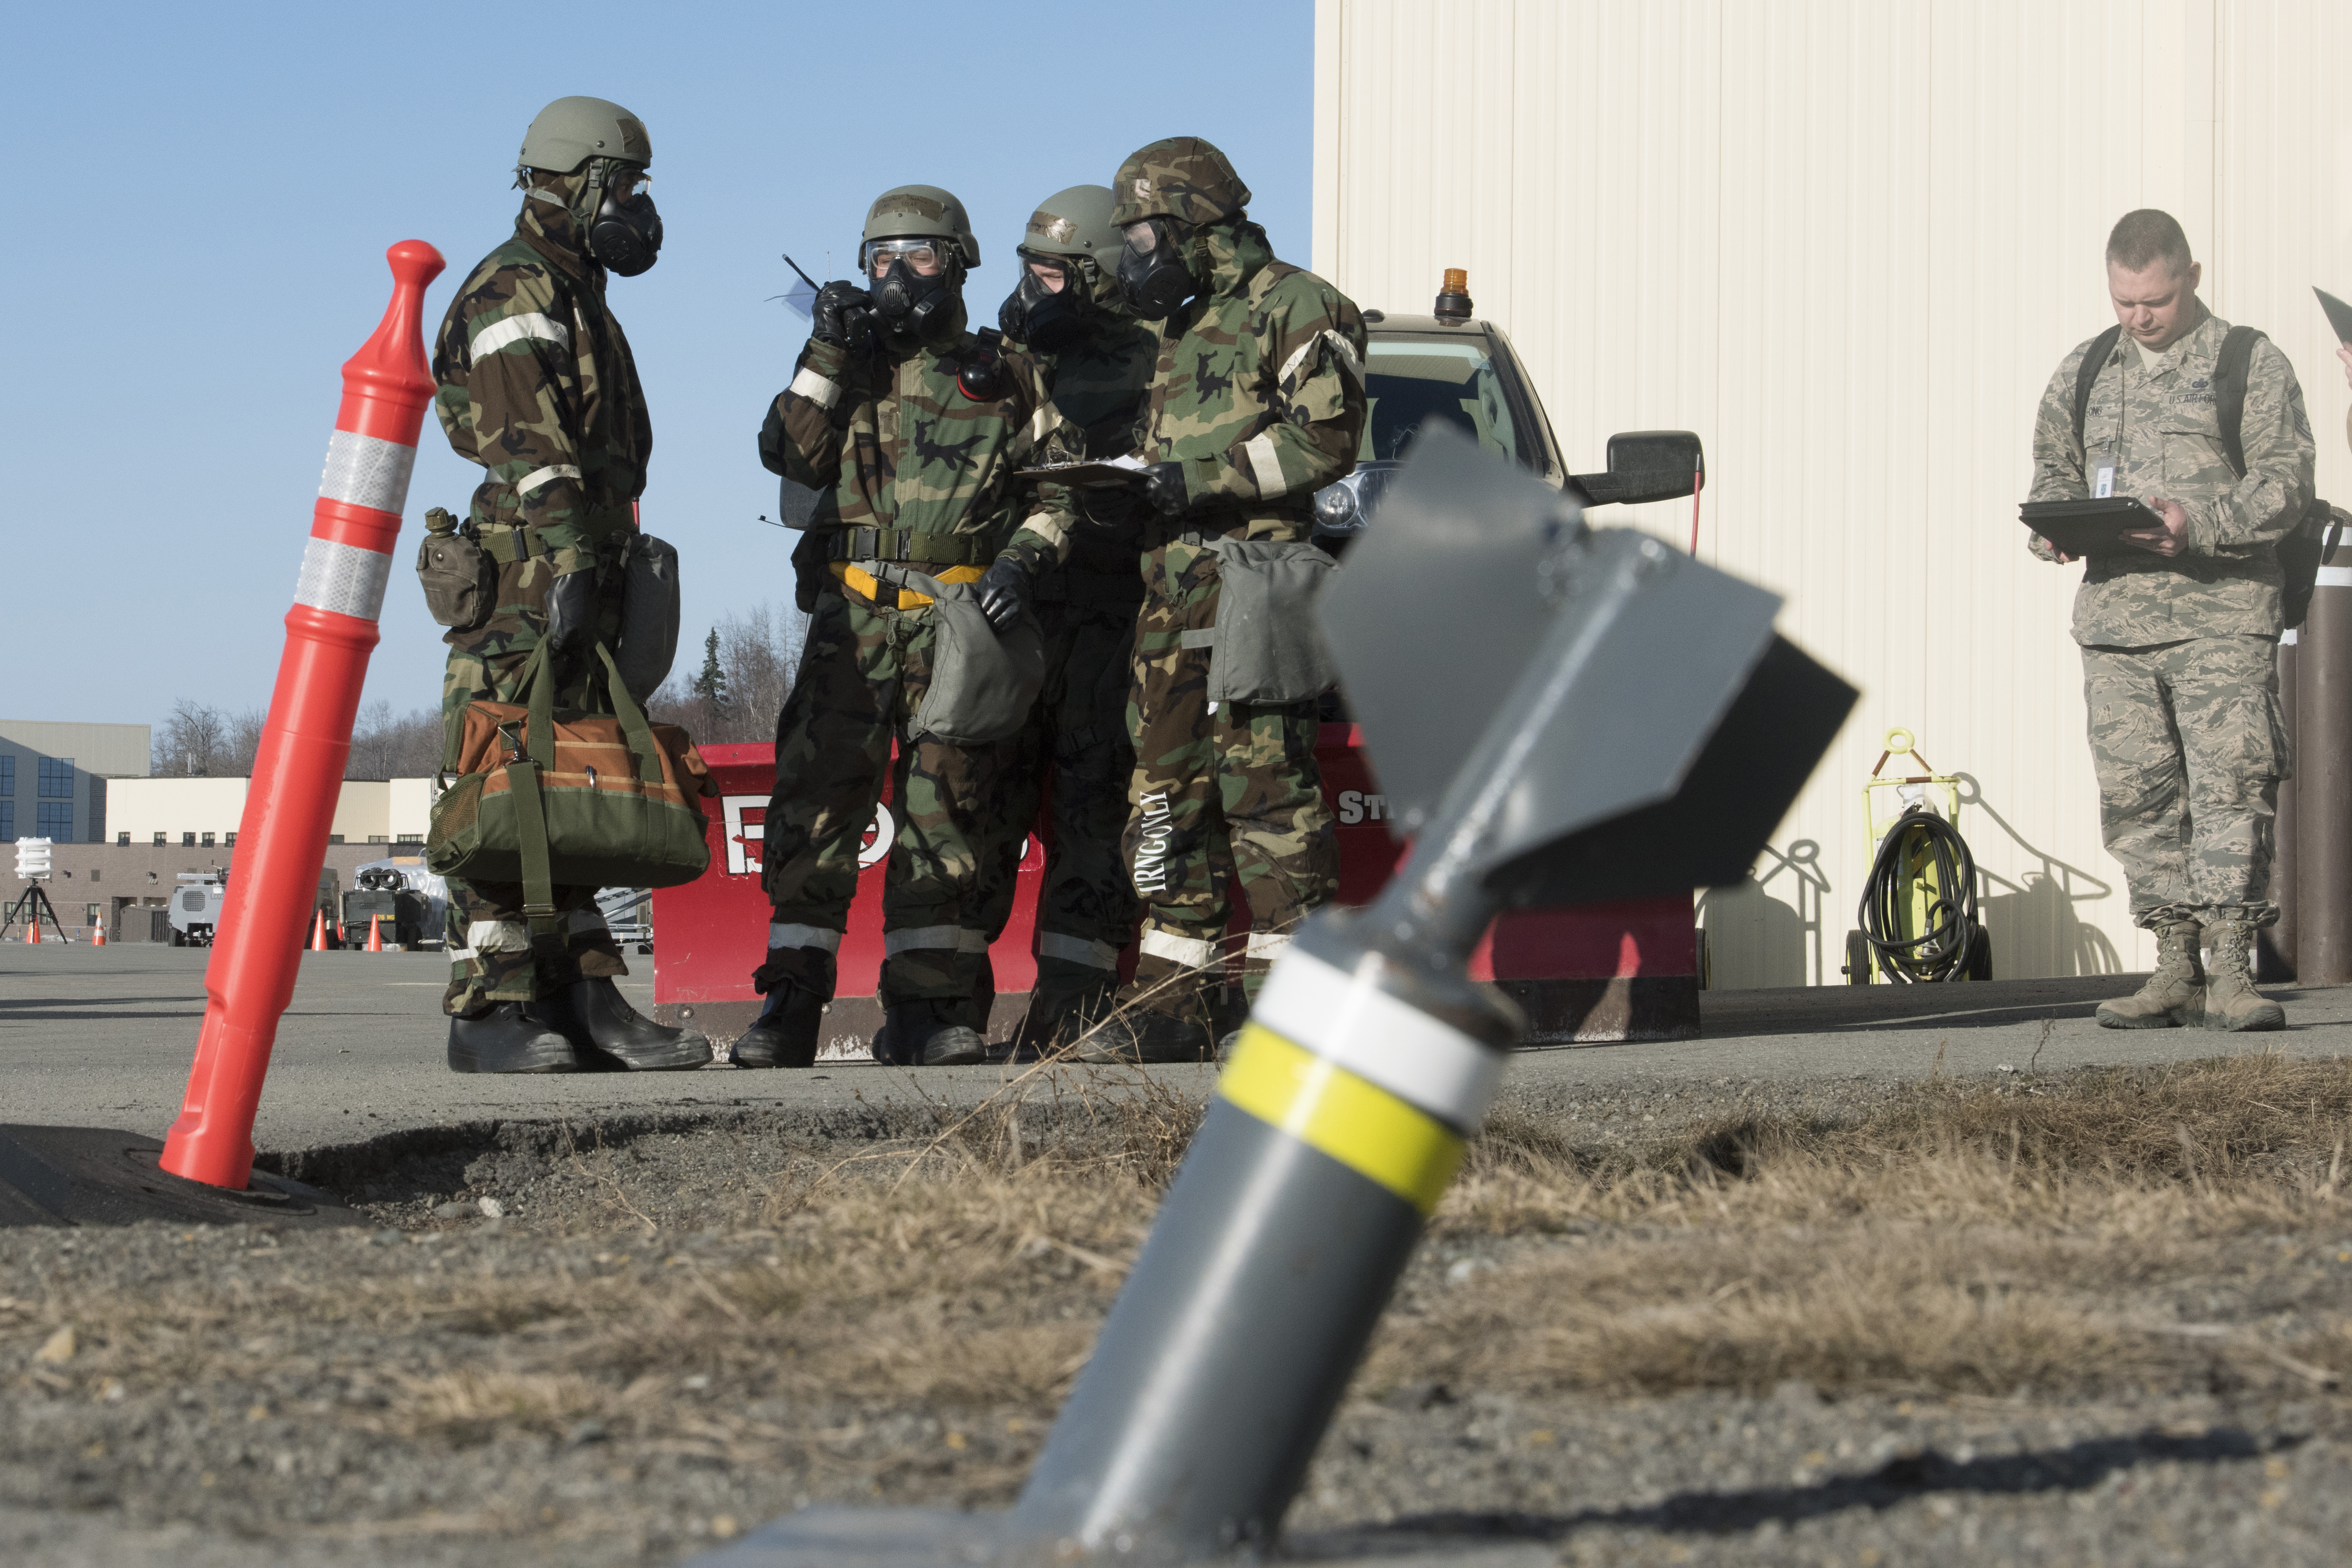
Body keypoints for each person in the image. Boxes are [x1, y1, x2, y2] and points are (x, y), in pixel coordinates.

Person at [731, 185, 1071, 1070]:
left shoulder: (1009, 368)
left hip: (958, 622)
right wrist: (825, 347)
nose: (893, 274)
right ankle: (791, 1005)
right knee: (816, 807)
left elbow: (1062, 488)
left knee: (950, 817)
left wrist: (1021, 562)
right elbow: (787, 451)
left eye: (917, 255)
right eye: (878, 257)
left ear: (958, 261)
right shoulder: (846, 363)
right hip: (853, 619)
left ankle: (929, 1012)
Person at [1068, 137, 1368, 1062]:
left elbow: (1327, 443)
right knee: (1163, 799)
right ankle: (1172, 1006)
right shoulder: (1175, 325)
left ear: (1198, 222)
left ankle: (1290, 1015)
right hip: (1171, 598)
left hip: (1254, 587)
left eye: (1146, 235)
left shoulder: (1299, 306)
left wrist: (1193, 481)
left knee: (1268, 797)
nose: (1136, 257)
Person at [429, 96, 708, 1073]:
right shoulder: (517, 288)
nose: (636, 205)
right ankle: (489, 1006)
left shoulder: (575, 288)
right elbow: (527, 443)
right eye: (627, 185)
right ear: (583, 179)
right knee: (507, 772)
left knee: (579, 778)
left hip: (585, 553)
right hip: (530, 570)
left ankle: (583, 990)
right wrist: (572, 562)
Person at [2028, 208, 2314, 1032]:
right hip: (2117, 627)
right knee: (2139, 798)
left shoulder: (2246, 363)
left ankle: (2231, 969)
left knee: (2230, 787)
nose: (2139, 317)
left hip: (2221, 617)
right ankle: (2172, 967)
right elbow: (2056, 471)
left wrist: (2199, 521)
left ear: (2190, 274)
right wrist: (2053, 529)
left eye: (2152, 300)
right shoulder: (2084, 371)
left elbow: (2287, 484)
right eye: (2124, 301)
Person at [979, 184, 1160, 1054]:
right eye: (1027, 272)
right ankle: (940, 1002)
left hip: (1106, 612)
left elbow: (1086, 480)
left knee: (1094, 808)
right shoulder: (1013, 356)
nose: (1030, 291)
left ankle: (1074, 1001)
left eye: (1048, 275)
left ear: (1100, 277)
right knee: (983, 798)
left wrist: (1033, 549)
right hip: (1017, 616)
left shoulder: (1157, 362)